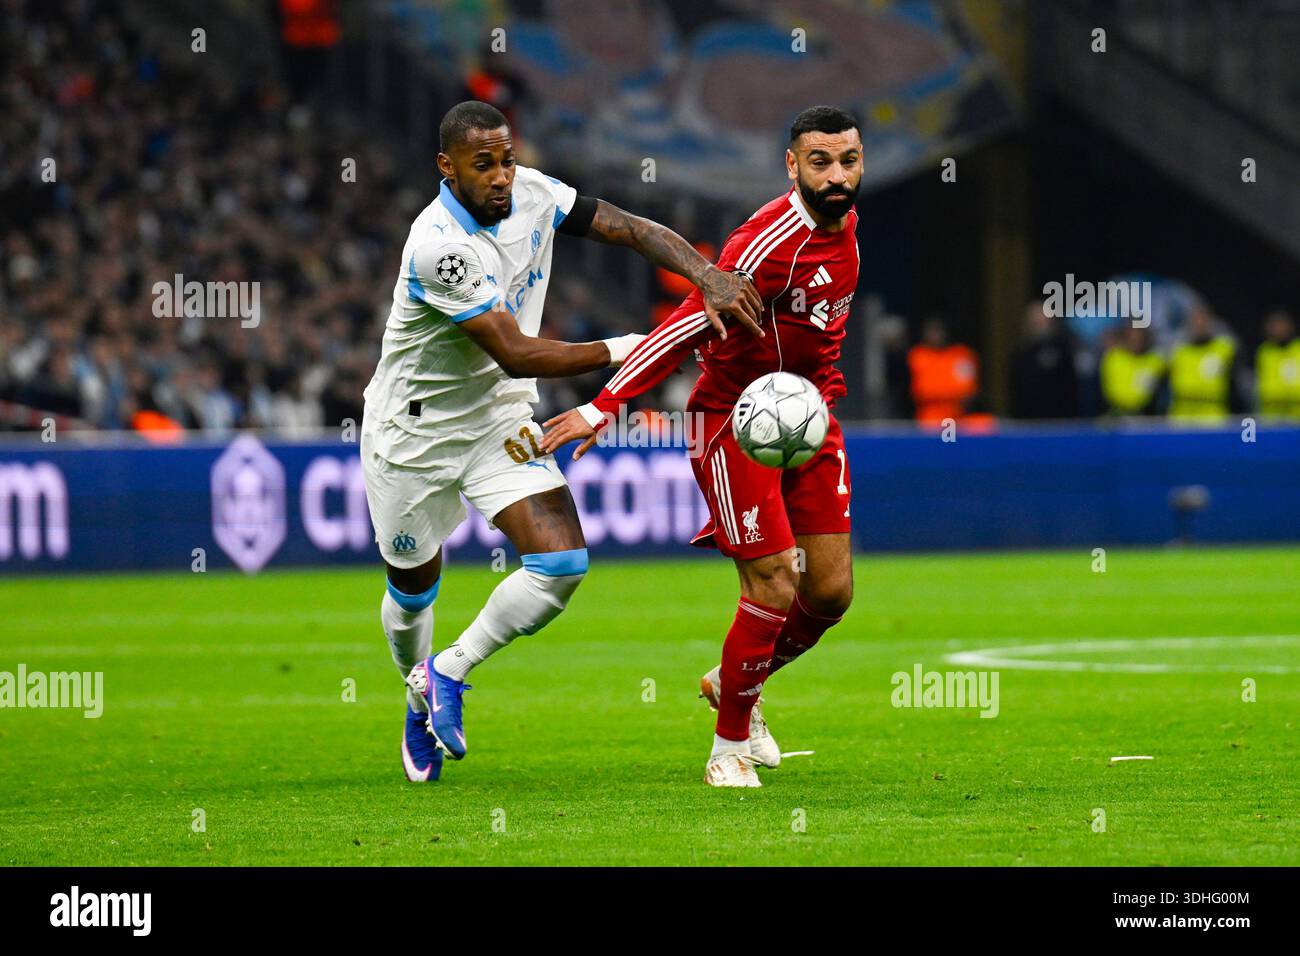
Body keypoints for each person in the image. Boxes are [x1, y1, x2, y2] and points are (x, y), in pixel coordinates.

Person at [363, 101, 763, 783]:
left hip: (497, 419)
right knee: (413, 591)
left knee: (563, 565)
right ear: (447, 167)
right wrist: (633, 347)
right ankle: (417, 690)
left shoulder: (538, 194)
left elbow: (633, 229)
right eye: (482, 164)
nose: (500, 176)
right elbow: (515, 351)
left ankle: (447, 672)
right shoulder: (437, 245)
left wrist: (708, 277)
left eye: (506, 159)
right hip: (414, 434)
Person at [542, 105, 861, 787]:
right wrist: (604, 405)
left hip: (808, 419)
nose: (836, 176)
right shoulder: (767, 244)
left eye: (848, 161)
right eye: (820, 162)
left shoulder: (850, 227)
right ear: (792, 165)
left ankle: (735, 679)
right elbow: (687, 324)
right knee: (775, 580)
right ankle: (728, 749)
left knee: (830, 592)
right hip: (735, 419)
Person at [1009, 300, 1079, 420]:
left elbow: (1071, 388)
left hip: (1062, 421)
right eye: (1035, 317)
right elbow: (1016, 390)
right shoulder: (1021, 353)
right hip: (1028, 422)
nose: (1039, 320)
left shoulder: (1065, 349)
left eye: (1042, 315)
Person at [1168, 305, 1238, 423]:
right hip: (1182, 414)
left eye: (1203, 321)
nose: (1199, 325)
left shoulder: (1224, 348)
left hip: (1213, 412)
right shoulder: (1178, 351)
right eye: (1195, 321)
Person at [906, 317, 978, 424]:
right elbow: (922, 391)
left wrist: (942, 392)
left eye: (938, 331)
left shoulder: (961, 355)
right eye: (931, 331)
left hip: (958, 419)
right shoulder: (918, 356)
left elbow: (968, 392)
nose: (935, 336)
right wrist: (951, 392)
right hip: (929, 420)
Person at [1101, 325, 1165, 416]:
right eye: (1132, 340)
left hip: (1145, 414)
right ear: (1125, 339)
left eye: (1140, 340)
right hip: (1117, 413)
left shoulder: (1155, 361)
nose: (1136, 343)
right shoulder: (1114, 358)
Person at [1255, 310, 1300, 420]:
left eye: (1281, 324)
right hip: (1272, 417)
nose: (1278, 329)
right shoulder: (1264, 351)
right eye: (1274, 325)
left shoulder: (1297, 348)